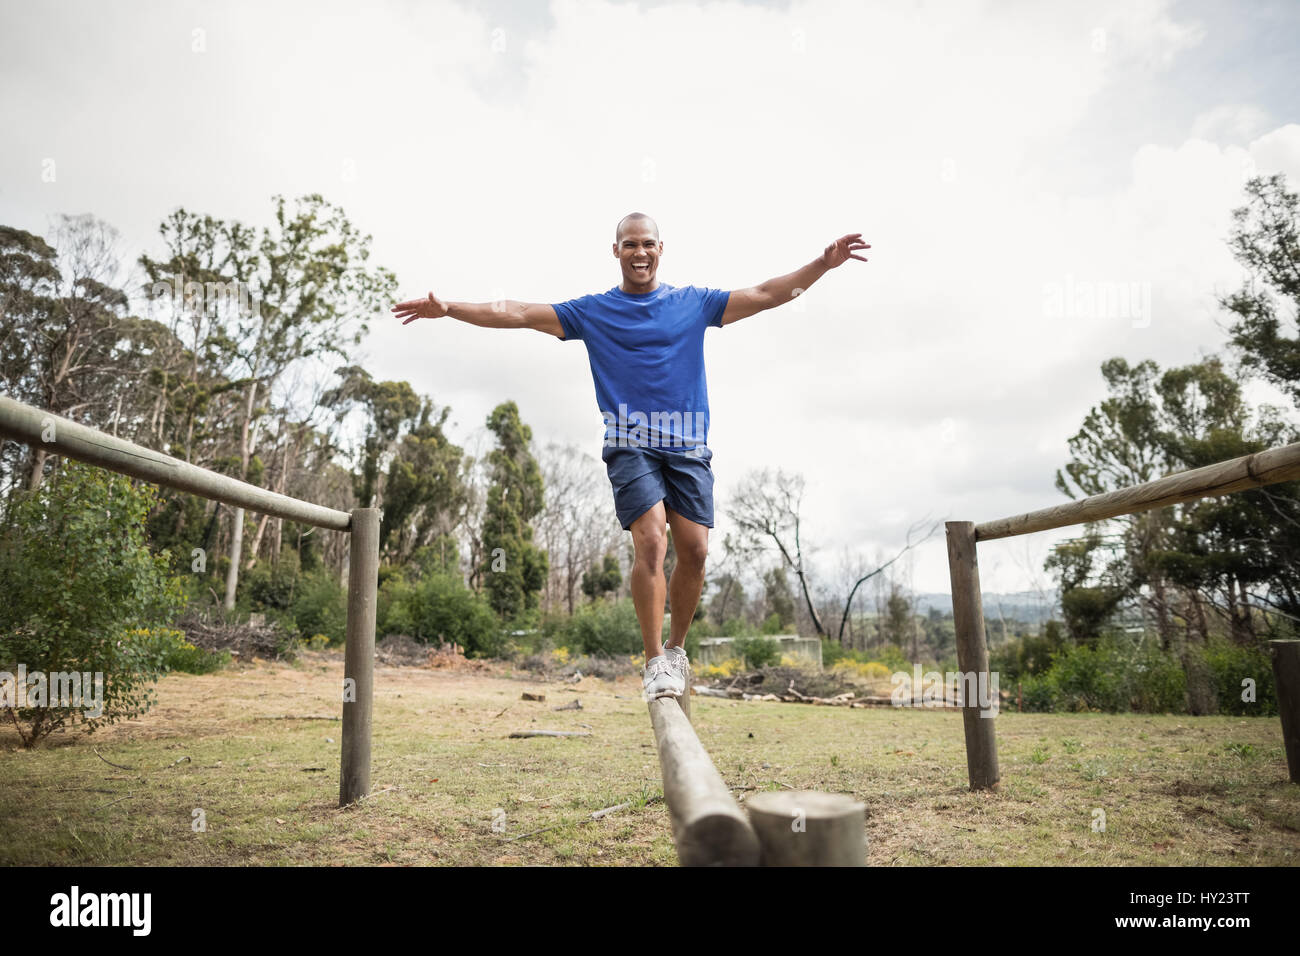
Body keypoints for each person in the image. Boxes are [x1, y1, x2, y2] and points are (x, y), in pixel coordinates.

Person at [392, 213, 868, 700]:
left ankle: (676, 647)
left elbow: (767, 295)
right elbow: (517, 312)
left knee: (697, 551)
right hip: (629, 441)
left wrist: (822, 265)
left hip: (688, 445)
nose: (639, 253)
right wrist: (449, 307)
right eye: (629, 245)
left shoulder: (693, 304)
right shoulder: (592, 312)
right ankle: (654, 661)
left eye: (647, 244)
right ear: (615, 251)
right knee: (652, 543)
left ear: (661, 248)